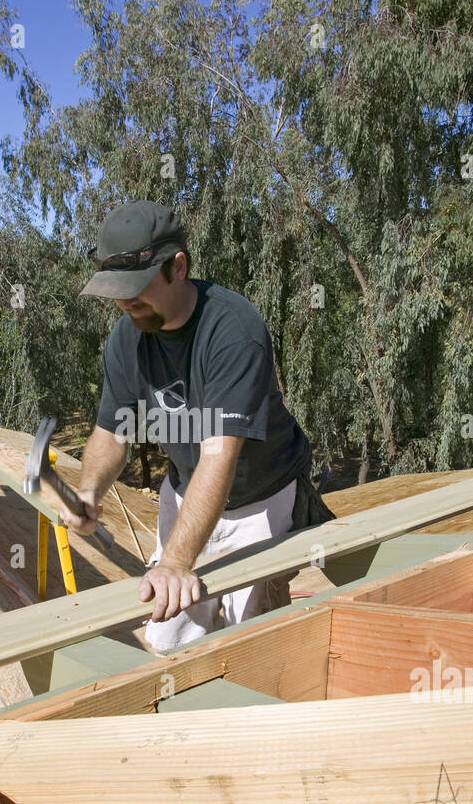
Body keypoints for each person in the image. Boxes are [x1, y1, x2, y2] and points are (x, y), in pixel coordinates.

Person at [60, 200, 333, 653]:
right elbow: (112, 432)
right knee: (167, 640)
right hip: (186, 491)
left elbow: (218, 455)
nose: (125, 301)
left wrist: (177, 562)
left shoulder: (232, 330)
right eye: (115, 289)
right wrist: (89, 490)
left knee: (256, 643)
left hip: (258, 504)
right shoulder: (126, 338)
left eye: (136, 285)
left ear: (178, 266)